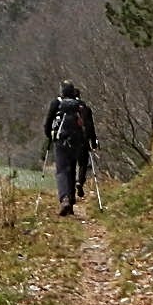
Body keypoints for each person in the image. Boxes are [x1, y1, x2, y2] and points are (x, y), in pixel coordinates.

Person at [43, 81, 98, 216]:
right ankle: (71, 202)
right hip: (77, 142)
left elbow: (48, 123)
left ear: (62, 91)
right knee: (72, 169)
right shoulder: (81, 105)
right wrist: (92, 141)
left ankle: (65, 199)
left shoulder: (57, 103)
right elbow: (89, 125)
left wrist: (50, 136)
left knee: (62, 170)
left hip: (61, 141)